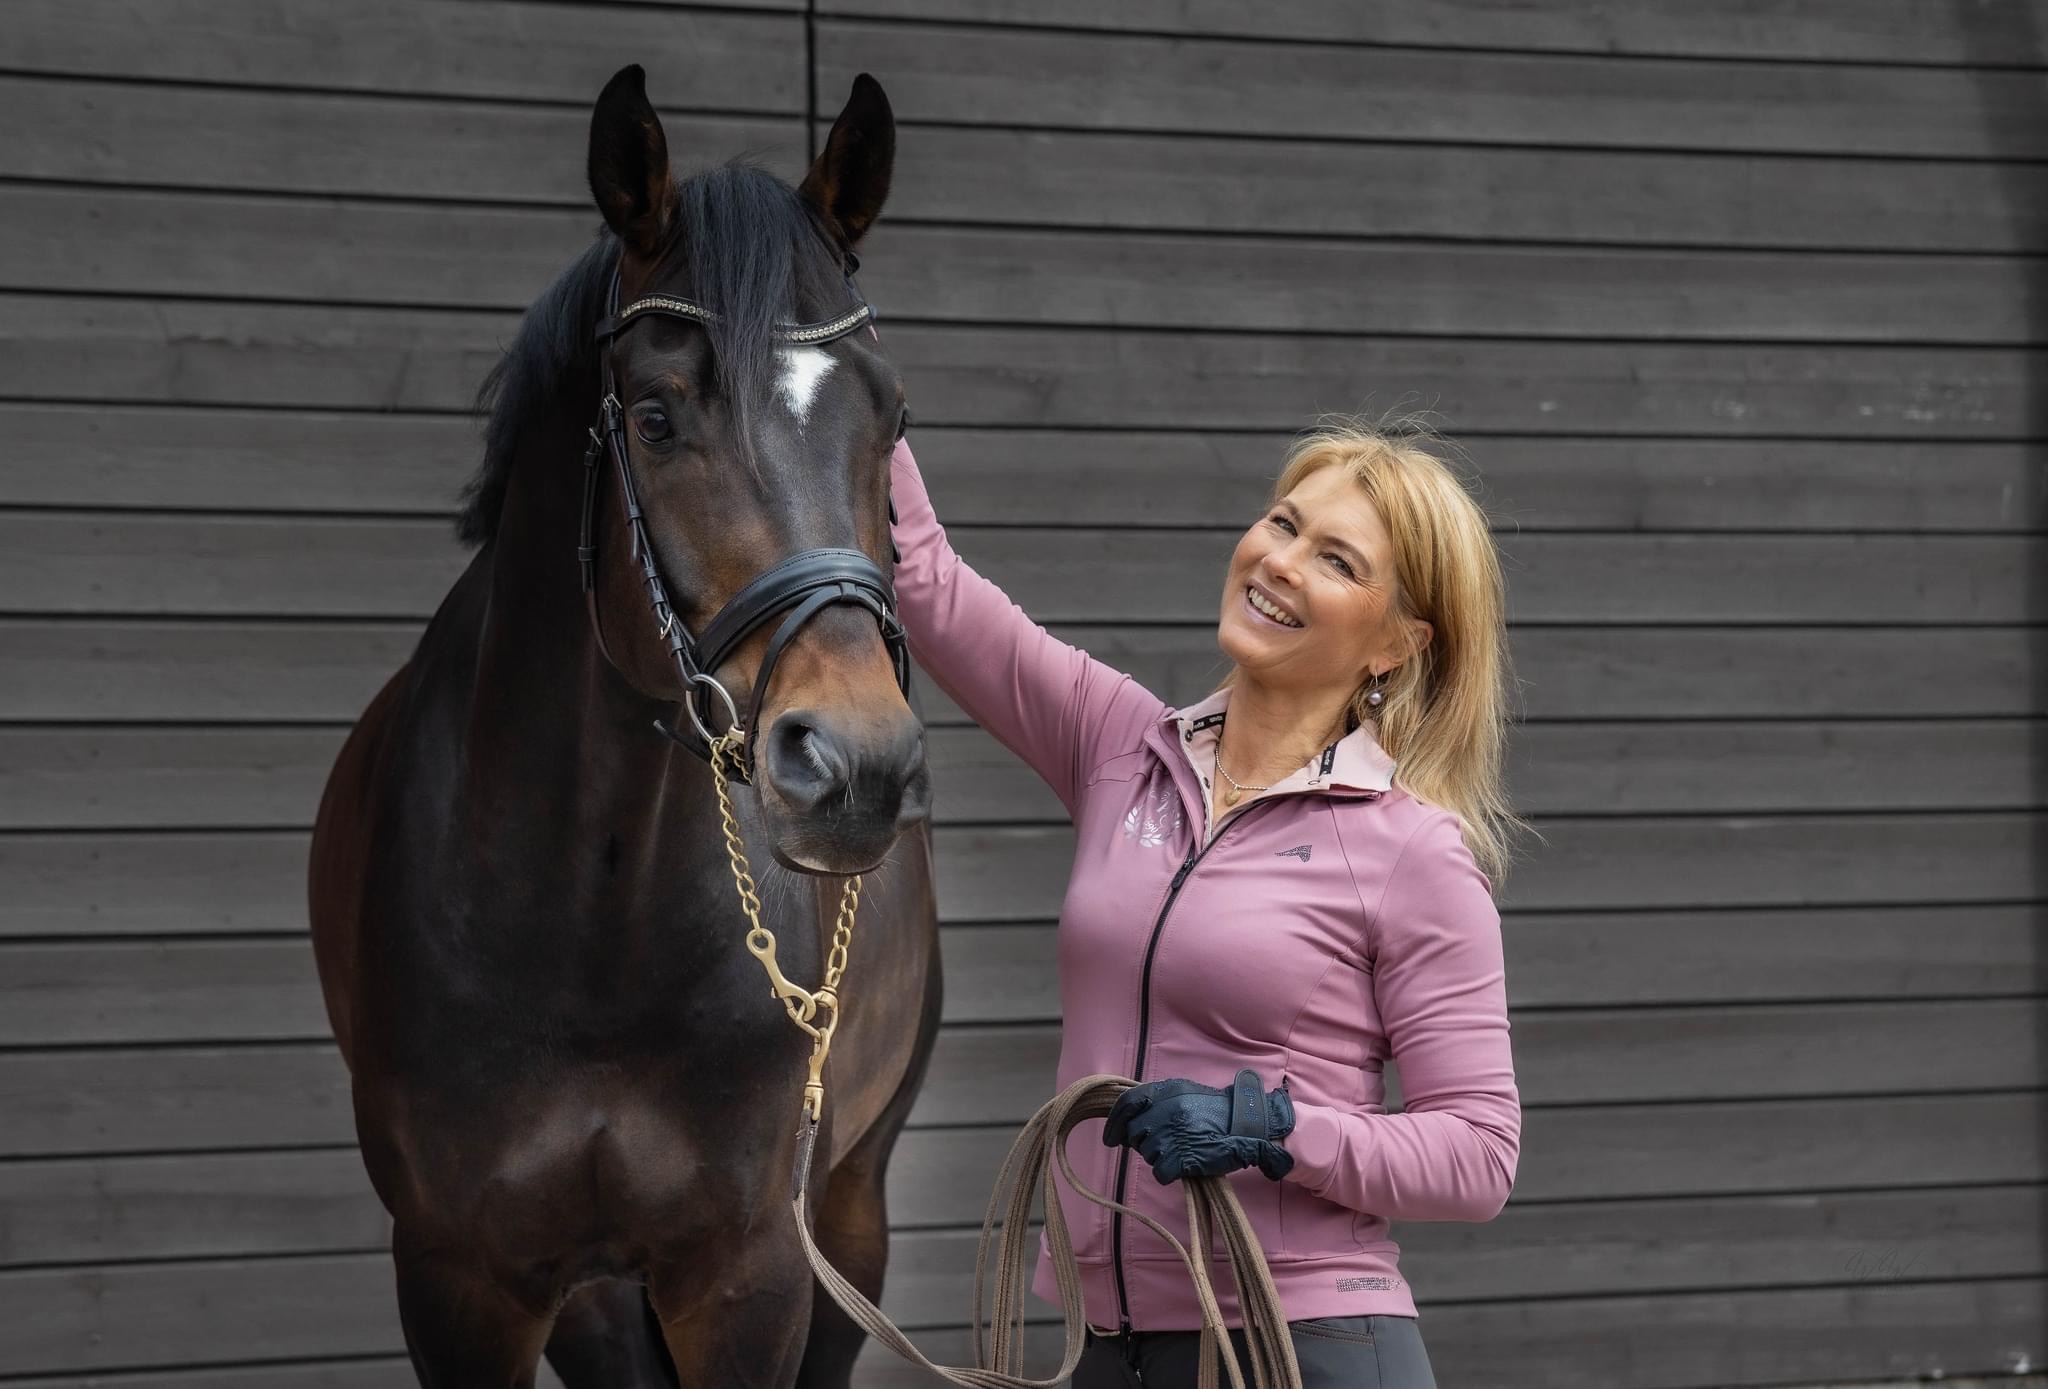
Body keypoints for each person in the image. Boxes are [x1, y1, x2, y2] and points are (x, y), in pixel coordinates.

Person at [886, 414, 1528, 1388]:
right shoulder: (1119, 748)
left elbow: (1478, 1157)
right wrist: (829, 337)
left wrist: (1275, 1130)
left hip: (1299, 1345)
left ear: (1395, 643)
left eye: (1336, 561)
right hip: (1100, 1349)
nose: (1279, 563)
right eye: (1281, 524)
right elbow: (923, 582)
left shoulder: (1411, 853)